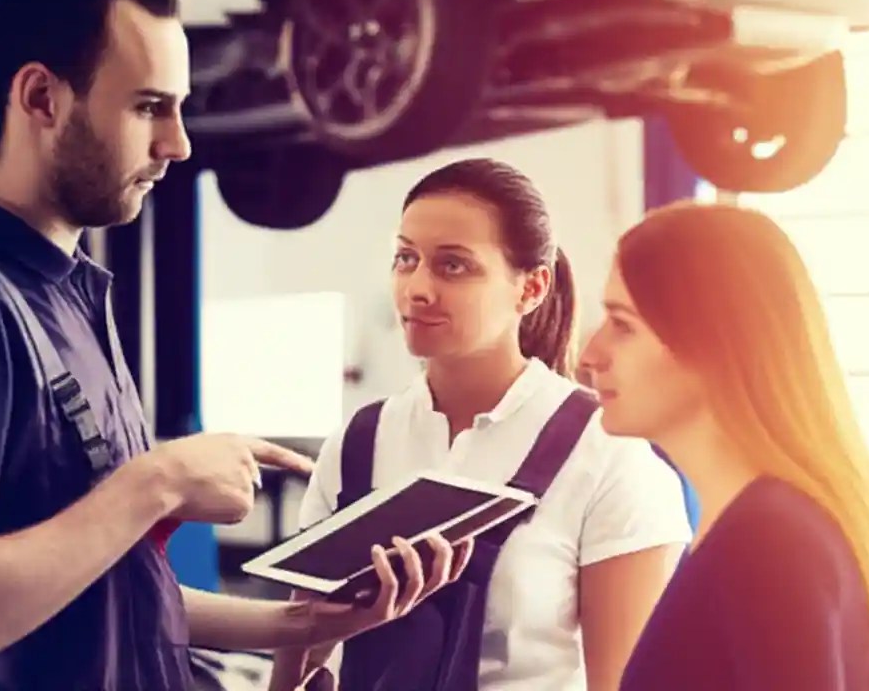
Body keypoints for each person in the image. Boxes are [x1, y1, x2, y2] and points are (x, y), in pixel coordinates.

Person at [0, 0, 461, 690]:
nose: (179, 144)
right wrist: (158, 481)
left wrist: (309, 624)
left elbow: (111, 593)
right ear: (41, 98)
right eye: (148, 108)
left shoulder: (69, 300)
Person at [270, 159, 692, 691]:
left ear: (532, 287)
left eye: (453, 266)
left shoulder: (608, 452)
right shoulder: (357, 443)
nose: (417, 289)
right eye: (406, 258)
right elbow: (297, 656)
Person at [578, 201, 869, 691]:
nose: (591, 354)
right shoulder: (774, 523)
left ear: (710, 340)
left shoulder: (770, 540)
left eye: (623, 325)